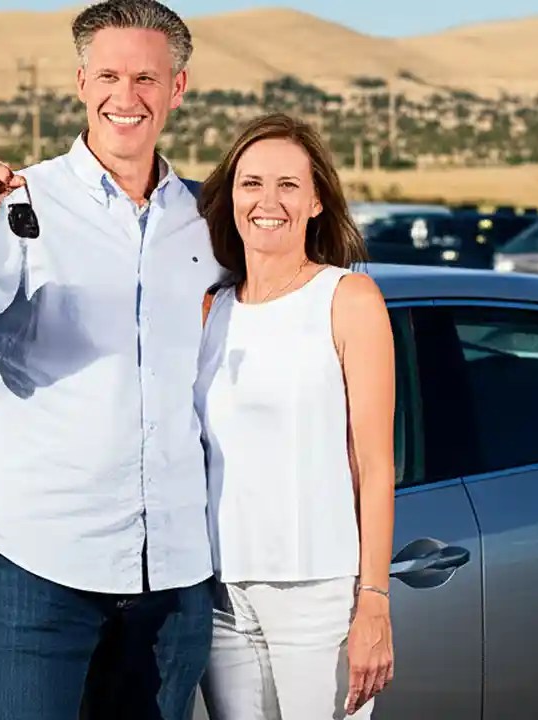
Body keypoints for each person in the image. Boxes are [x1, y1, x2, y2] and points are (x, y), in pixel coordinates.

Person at [0, 1, 222, 717]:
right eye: (108, 74)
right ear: (81, 82)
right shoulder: (15, 204)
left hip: (175, 572)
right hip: (43, 567)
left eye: (146, 77)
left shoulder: (208, 219)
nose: (126, 96)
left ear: (179, 87)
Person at [193, 113, 397, 719]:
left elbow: (375, 465)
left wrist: (374, 602)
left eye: (288, 185)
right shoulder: (212, 308)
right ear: (230, 198)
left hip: (318, 594)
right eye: (251, 183)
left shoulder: (346, 298)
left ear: (314, 202)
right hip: (220, 594)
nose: (267, 201)